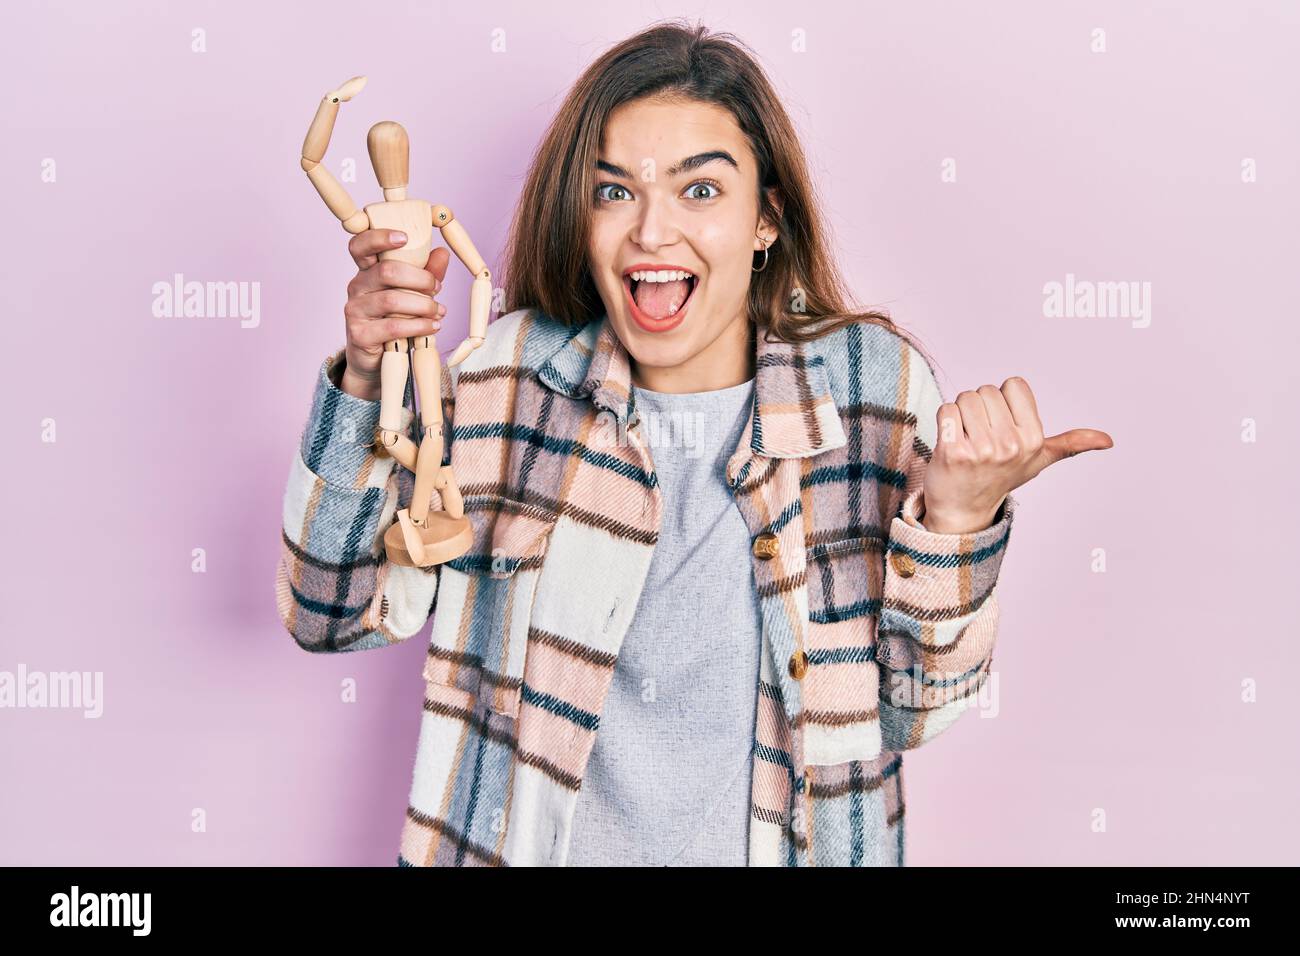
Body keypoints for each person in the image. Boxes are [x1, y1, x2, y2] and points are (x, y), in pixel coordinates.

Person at [276, 19, 1112, 867]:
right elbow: (328, 615)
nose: (650, 232)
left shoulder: (872, 394)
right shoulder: (506, 377)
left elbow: (915, 712)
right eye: (614, 192)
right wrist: (363, 381)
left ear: (765, 220)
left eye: (699, 190)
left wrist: (959, 524)